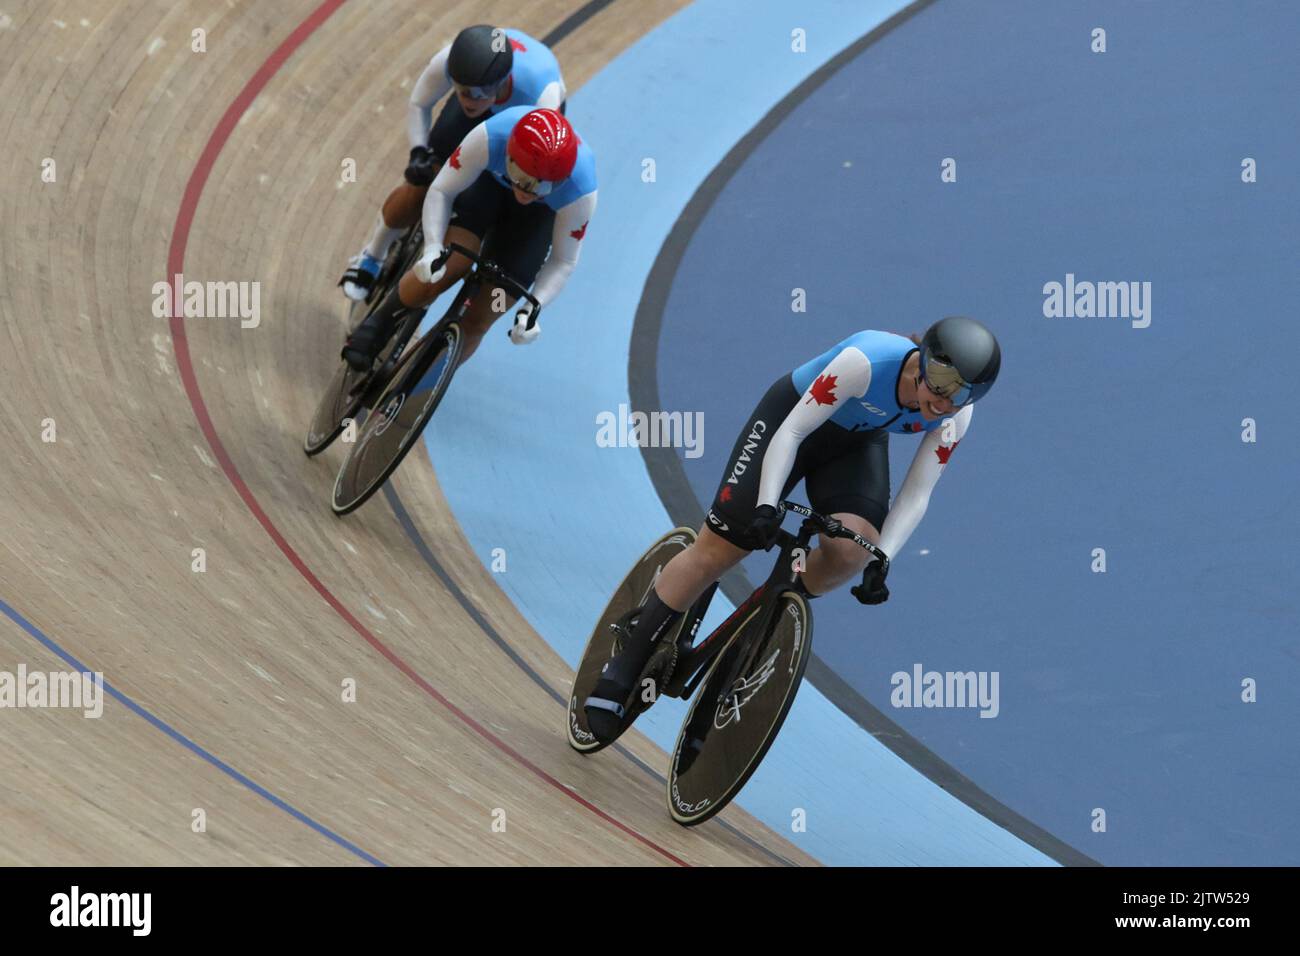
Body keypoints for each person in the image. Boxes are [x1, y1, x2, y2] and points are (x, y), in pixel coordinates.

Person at [583, 317, 1002, 741]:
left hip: (855, 445)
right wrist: (766, 506)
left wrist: (882, 559)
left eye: (962, 395)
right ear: (924, 363)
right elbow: (793, 432)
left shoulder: (956, 415)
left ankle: (767, 618)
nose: (946, 403)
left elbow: (917, 495)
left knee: (852, 552)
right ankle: (620, 672)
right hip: (790, 423)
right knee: (723, 549)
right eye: (942, 387)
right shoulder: (866, 362)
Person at [341, 105, 596, 371]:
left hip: (536, 219)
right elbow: (441, 190)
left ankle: (421, 385)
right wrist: (432, 248)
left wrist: (534, 307)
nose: (525, 191)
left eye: (540, 186)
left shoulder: (581, 191)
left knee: (482, 315)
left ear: (561, 180)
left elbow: (563, 260)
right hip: (487, 188)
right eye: (520, 178)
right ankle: (377, 326)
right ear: (508, 155)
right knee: (449, 265)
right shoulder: (490, 137)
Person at [339, 24, 566, 301]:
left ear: (504, 82)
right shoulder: (448, 62)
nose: (470, 99)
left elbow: (530, 155)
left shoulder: (542, 96)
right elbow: (420, 104)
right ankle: (372, 254)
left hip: (524, 123)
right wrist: (419, 152)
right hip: (483, 109)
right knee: (421, 180)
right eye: (462, 90)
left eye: (479, 92)